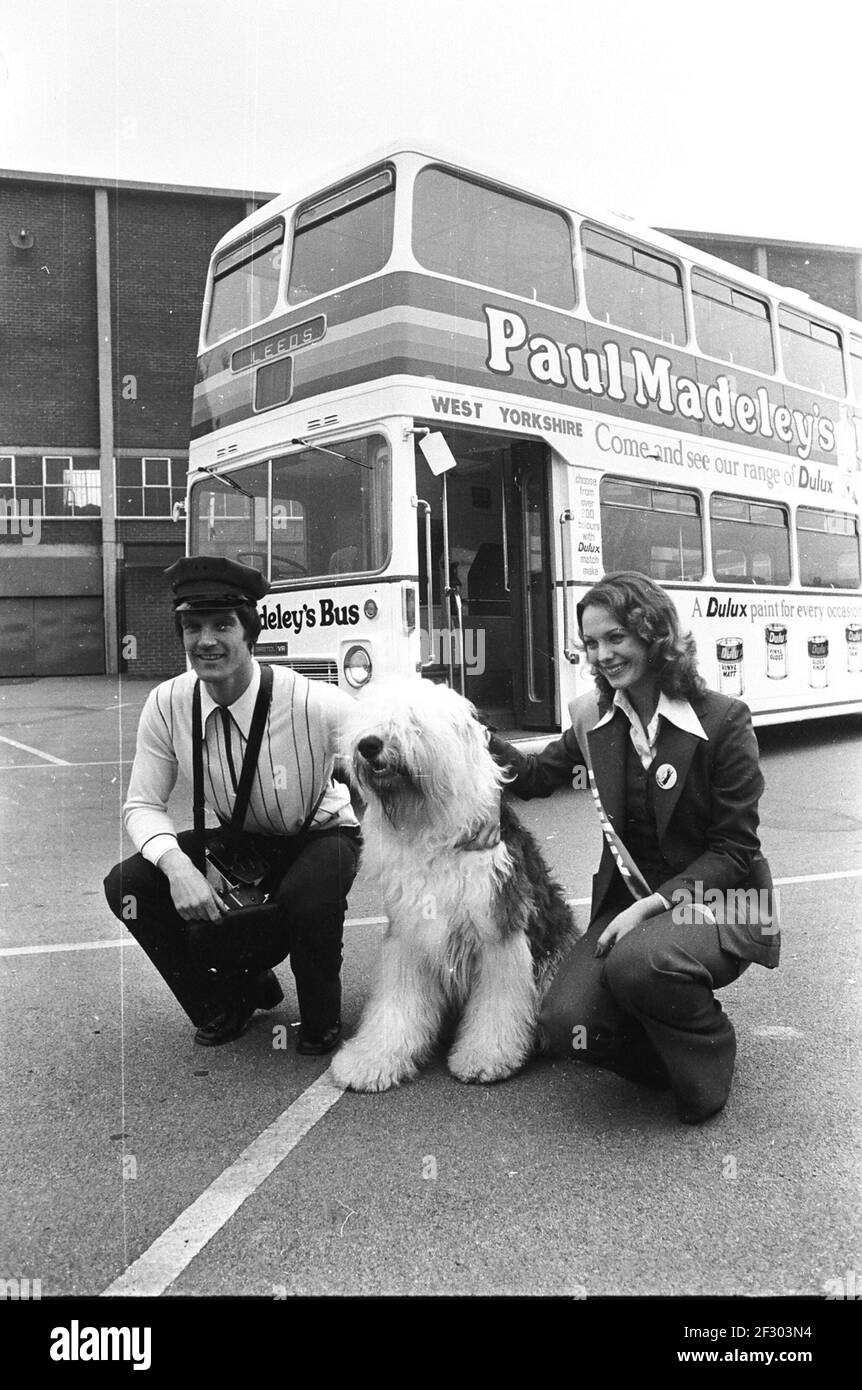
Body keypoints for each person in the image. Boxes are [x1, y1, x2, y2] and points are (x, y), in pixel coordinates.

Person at [489, 571, 779, 1124]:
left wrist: (648, 908)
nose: (603, 654)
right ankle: (664, 1045)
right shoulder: (596, 718)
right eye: (593, 643)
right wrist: (469, 729)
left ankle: (708, 1043)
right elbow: (532, 777)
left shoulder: (723, 720)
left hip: (725, 901)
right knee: (563, 1024)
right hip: (634, 908)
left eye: (616, 637)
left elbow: (735, 851)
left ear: (653, 632)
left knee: (637, 963)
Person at [103, 556, 361, 1052]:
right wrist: (178, 868)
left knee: (309, 898)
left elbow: (394, 743)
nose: (206, 641)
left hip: (318, 833)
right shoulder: (166, 702)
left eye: (223, 625)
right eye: (193, 626)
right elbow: (141, 804)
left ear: (250, 635)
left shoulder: (310, 701)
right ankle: (229, 997)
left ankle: (320, 1015)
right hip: (243, 841)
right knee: (129, 884)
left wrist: (482, 809)